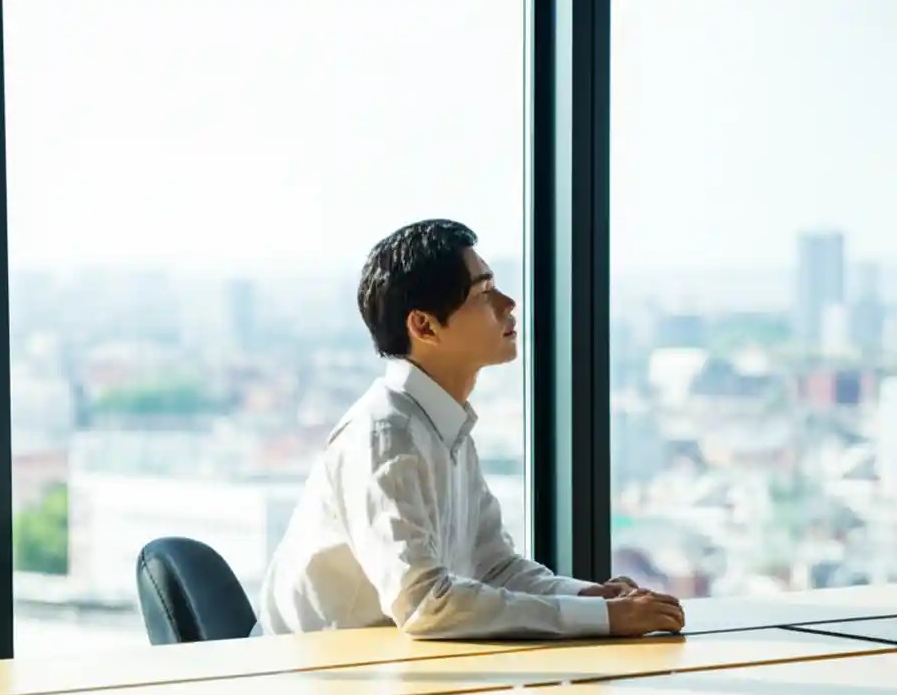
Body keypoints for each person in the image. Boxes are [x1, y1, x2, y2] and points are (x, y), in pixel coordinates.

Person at [253, 219, 685, 639]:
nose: (508, 303)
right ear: (424, 325)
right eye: (483, 293)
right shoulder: (384, 437)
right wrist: (603, 619)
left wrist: (593, 598)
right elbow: (425, 604)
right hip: (306, 682)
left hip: (393, 669)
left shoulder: (444, 424)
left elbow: (495, 568)